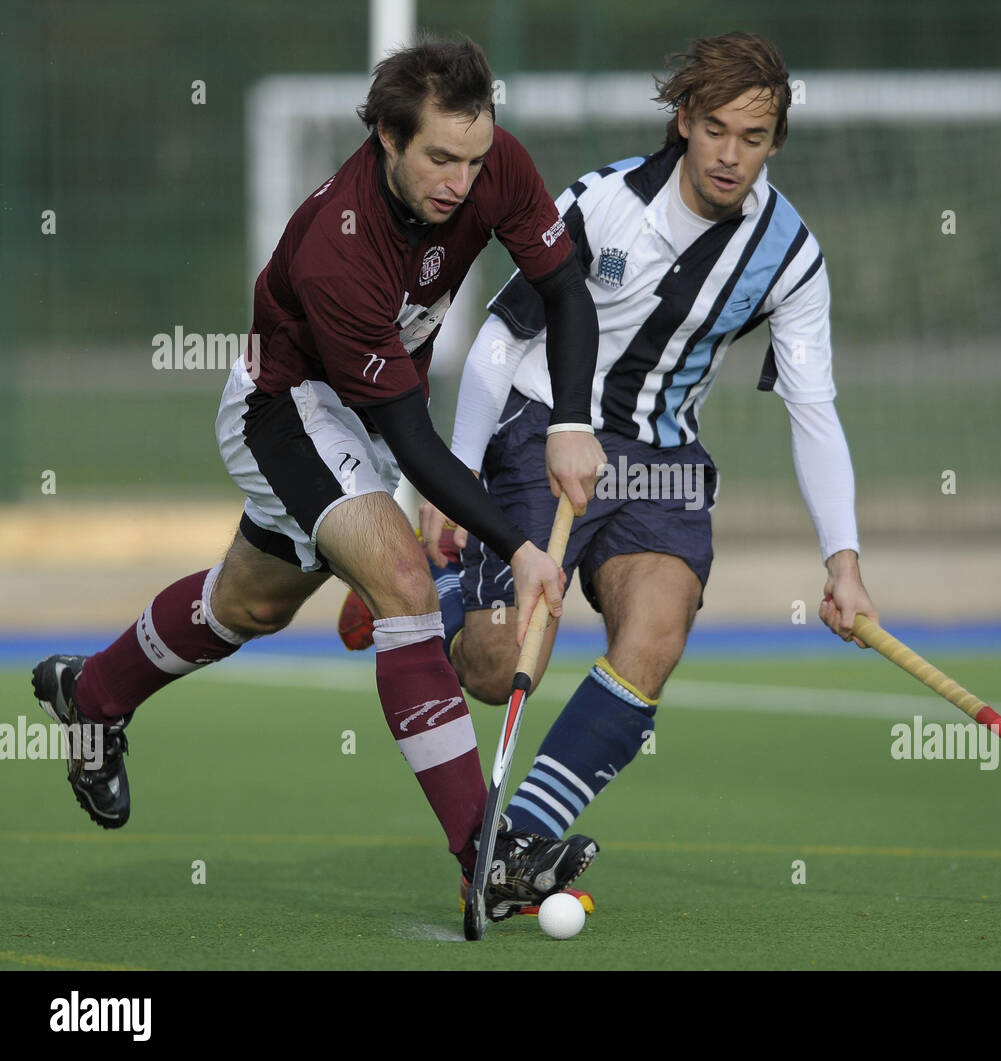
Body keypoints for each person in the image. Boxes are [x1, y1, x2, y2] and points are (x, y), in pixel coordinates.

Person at [32, 35, 606, 923]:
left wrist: (571, 423)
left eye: (476, 156)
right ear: (386, 137)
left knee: (251, 605)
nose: (462, 180)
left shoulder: (492, 161)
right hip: (285, 404)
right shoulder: (338, 247)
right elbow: (413, 443)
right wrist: (521, 547)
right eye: (440, 159)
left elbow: (566, 290)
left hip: (363, 413)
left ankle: (93, 693)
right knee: (403, 579)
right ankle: (486, 852)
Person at [338, 32, 878, 909]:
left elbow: (813, 409)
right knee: (495, 664)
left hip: (660, 460)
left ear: (776, 141)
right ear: (683, 121)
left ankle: (525, 846)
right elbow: (499, 340)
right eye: (715, 130)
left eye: (753, 136)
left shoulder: (790, 255)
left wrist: (843, 562)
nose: (731, 155)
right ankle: (426, 602)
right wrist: (453, 492)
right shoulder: (603, 204)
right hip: (539, 426)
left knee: (657, 628)